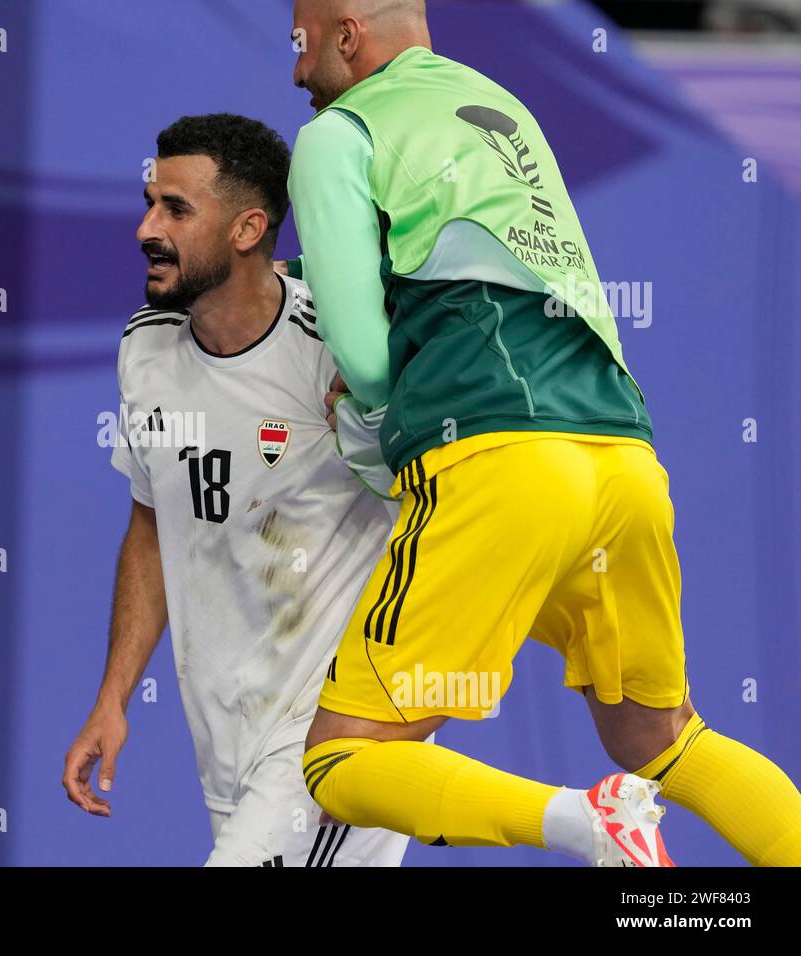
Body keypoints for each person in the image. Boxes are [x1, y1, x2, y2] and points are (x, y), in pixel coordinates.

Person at [285, 0, 801, 865]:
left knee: (345, 756)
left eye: (299, 45)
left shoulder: (339, 134)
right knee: (664, 740)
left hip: (497, 455)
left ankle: (589, 823)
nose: (296, 71)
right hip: (624, 459)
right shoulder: (500, 108)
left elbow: (364, 359)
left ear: (347, 36)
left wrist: (364, 424)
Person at [61, 113, 414, 866]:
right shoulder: (145, 346)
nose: (146, 228)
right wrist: (114, 699)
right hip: (226, 745)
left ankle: (575, 821)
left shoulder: (342, 348)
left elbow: (432, 512)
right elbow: (154, 528)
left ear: (249, 228)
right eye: (149, 201)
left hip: (332, 732)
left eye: (176, 209)